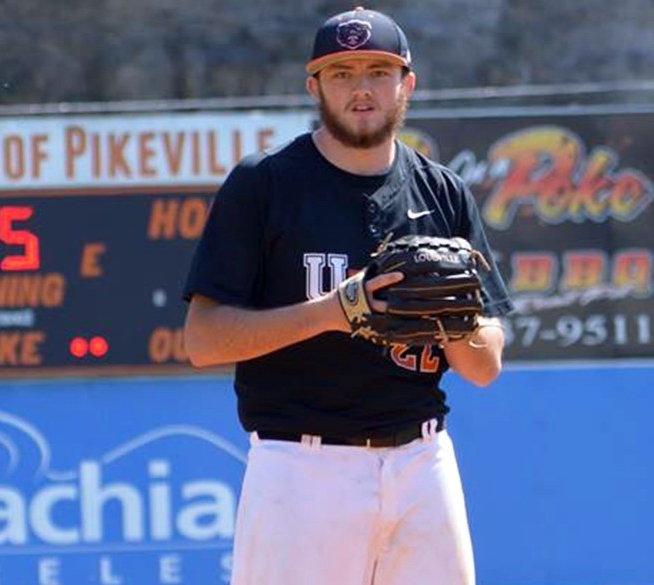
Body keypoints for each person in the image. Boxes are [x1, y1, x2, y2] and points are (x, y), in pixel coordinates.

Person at [182, 6, 512, 585]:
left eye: (378, 71)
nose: (362, 89)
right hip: (300, 467)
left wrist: (452, 320)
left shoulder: (444, 193)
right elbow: (203, 340)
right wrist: (334, 312)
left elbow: (484, 367)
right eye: (342, 73)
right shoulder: (265, 184)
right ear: (315, 86)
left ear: (407, 83)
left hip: (421, 460)